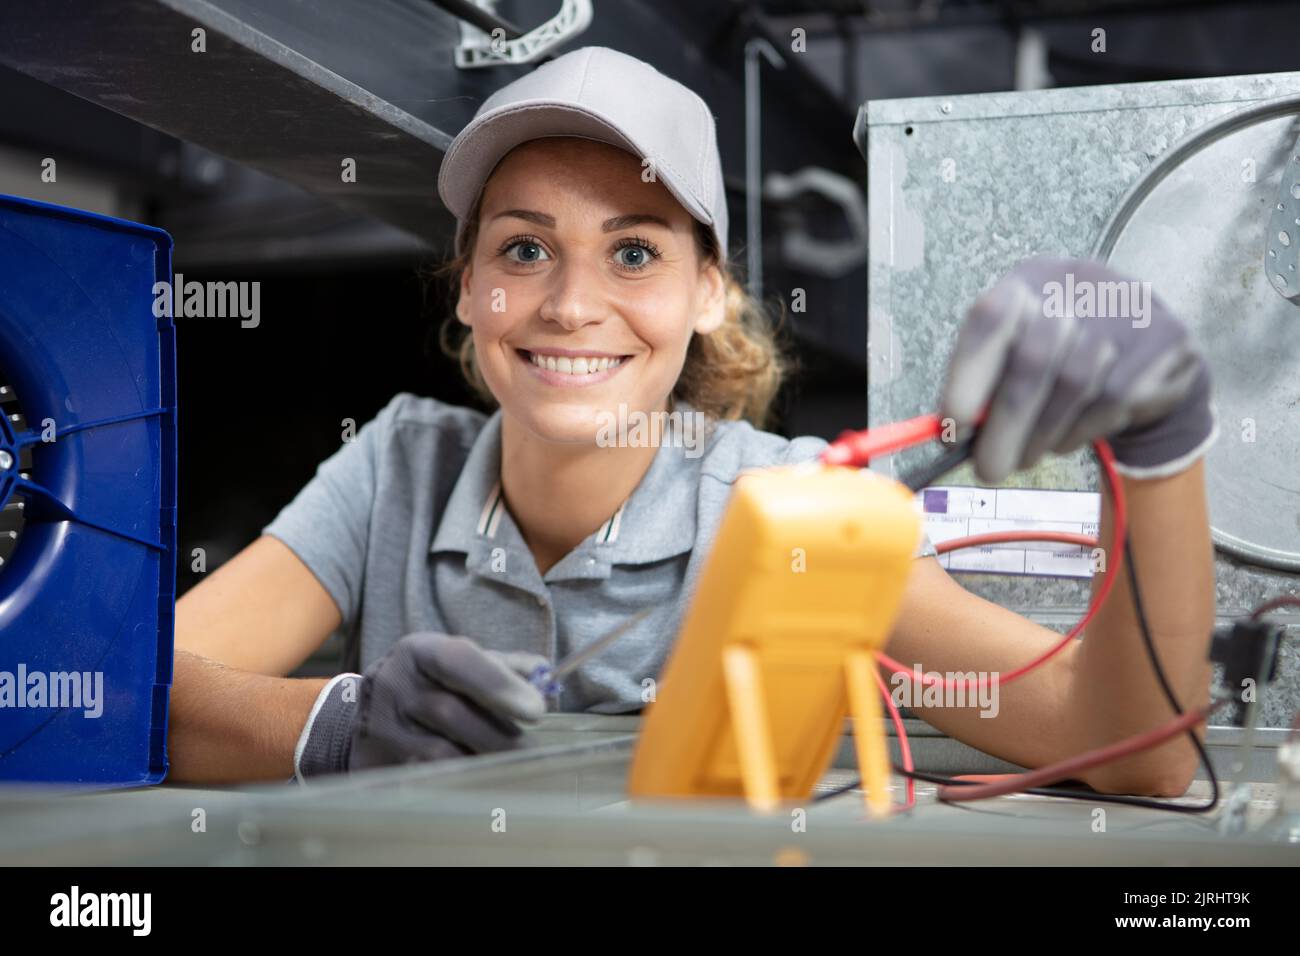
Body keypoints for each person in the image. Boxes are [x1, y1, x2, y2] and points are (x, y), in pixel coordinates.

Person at [170, 47, 1217, 792]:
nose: (570, 305)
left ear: (707, 291)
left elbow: (1131, 743)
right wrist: (338, 722)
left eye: (634, 252)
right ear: (468, 290)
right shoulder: (397, 465)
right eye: (522, 249)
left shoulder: (800, 509)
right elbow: (118, 687)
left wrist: (1163, 444)